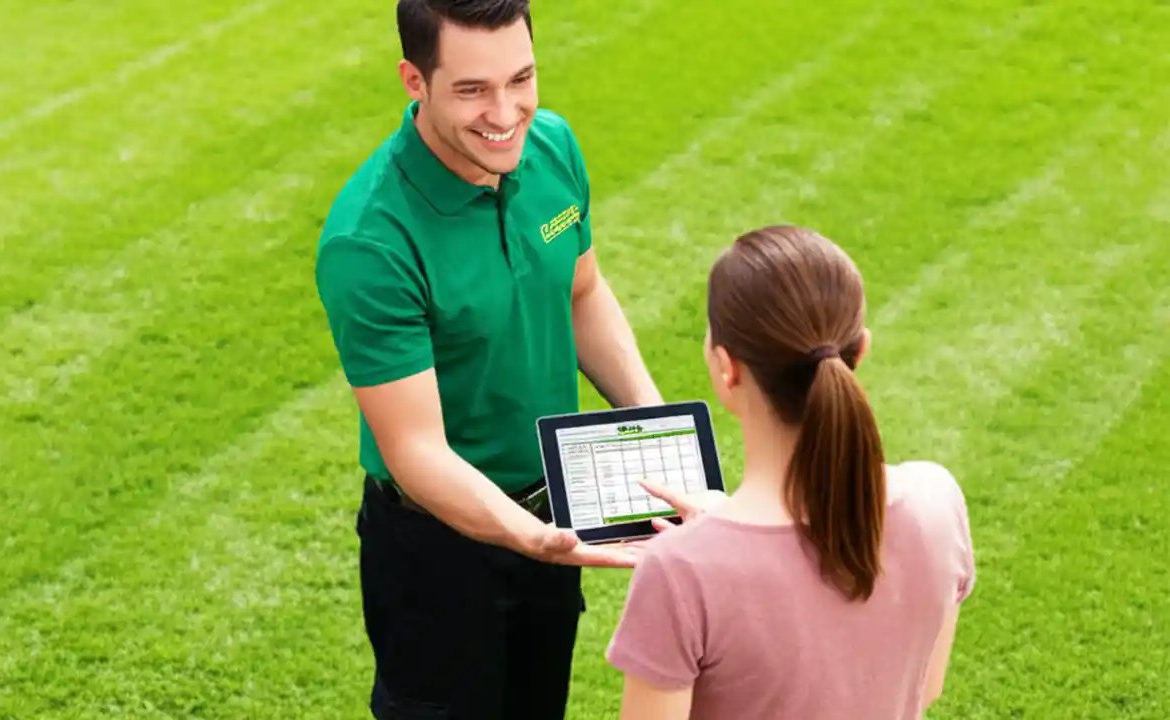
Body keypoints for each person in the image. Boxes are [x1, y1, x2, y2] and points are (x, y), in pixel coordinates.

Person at [313, 1, 663, 717]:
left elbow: (583, 291)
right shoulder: (370, 241)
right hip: (435, 553)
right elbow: (414, 450)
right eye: (472, 90)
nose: (506, 114)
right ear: (416, 80)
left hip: (551, 511)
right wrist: (534, 536)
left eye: (521, 79)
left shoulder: (553, 146)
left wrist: (653, 422)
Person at [606, 225, 977, 719]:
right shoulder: (936, 499)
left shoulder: (681, 571)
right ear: (860, 350)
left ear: (726, 368)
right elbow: (922, 688)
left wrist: (711, 543)